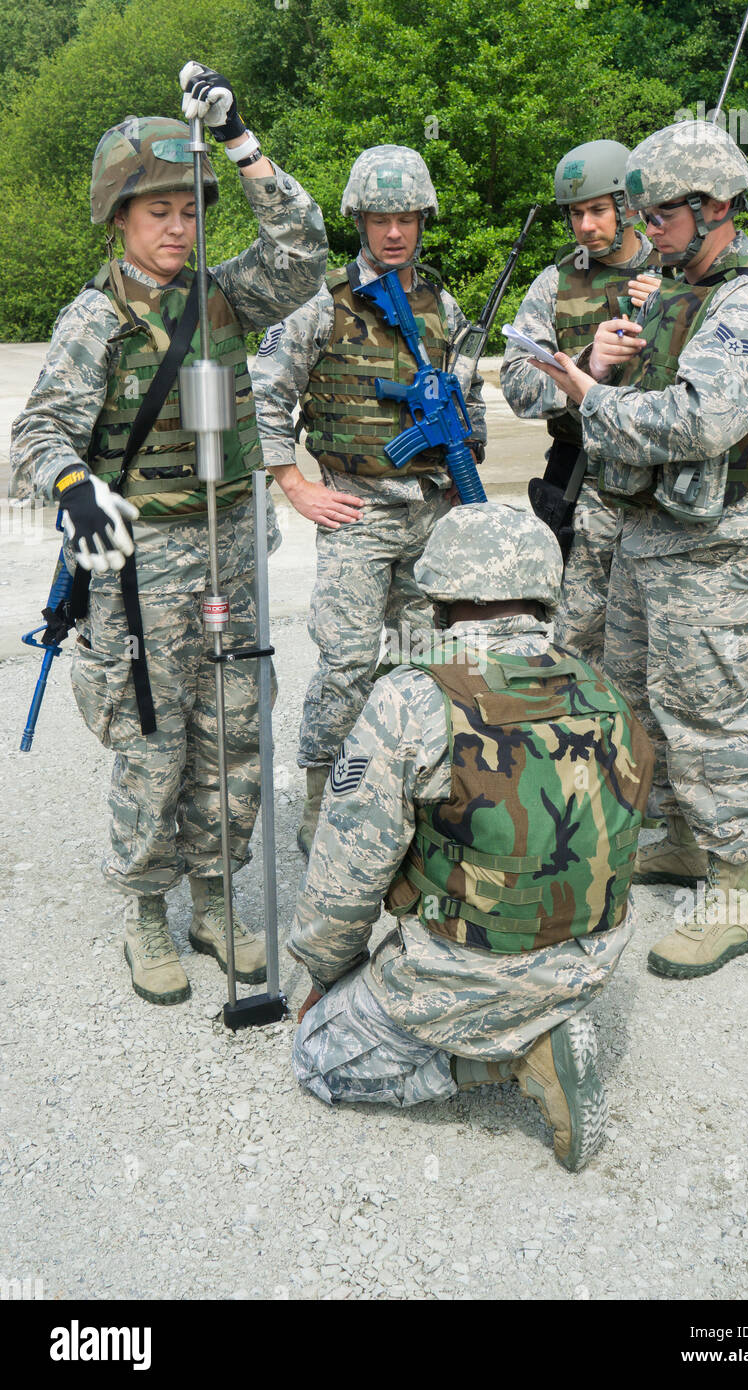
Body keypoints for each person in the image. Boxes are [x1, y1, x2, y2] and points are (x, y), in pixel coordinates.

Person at [10, 63, 328, 1005]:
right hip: (139, 570)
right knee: (151, 742)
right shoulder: (93, 320)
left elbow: (304, 251)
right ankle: (149, 911)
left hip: (234, 548)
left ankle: (218, 897)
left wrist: (242, 142)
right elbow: (37, 434)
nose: (179, 228)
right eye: (158, 213)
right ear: (119, 219)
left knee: (233, 733)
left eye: (189, 210)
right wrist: (73, 490)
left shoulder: (227, 297)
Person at [528, 120, 748, 978]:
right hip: (656, 536)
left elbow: (700, 420)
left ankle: (733, 891)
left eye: (662, 213)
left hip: (712, 546)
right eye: (644, 212)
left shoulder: (747, 301)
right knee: (637, 702)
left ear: (714, 206)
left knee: (704, 711)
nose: (646, 227)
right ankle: (682, 842)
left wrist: (592, 399)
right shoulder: (685, 291)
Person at [288, 504, 654, 1171]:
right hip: (589, 963)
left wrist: (323, 973)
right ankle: (548, 1024)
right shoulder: (602, 688)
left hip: (465, 971)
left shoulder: (413, 697)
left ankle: (507, 1060)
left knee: (315, 1056)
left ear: (439, 596)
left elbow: (346, 873)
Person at [251, 145, 486, 856]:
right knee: (347, 663)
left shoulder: (443, 305)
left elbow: (470, 401)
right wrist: (294, 484)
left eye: (406, 217)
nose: (393, 233)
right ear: (359, 219)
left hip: (431, 512)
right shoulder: (321, 304)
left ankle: (414, 795)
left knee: (428, 661)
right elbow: (264, 391)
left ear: (422, 219)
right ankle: (324, 801)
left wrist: (462, 451)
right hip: (355, 511)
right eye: (380, 218)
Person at [500, 140, 662, 669]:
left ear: (628, 207)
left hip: (662, 490)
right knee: (573, 651)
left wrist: (671, 310)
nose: (585, 226)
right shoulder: (556, 282)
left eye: (597, 210)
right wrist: (584, 369)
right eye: (575, 213)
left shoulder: (677, 273)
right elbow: (517, 385)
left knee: (654, 655)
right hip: (583, 482)